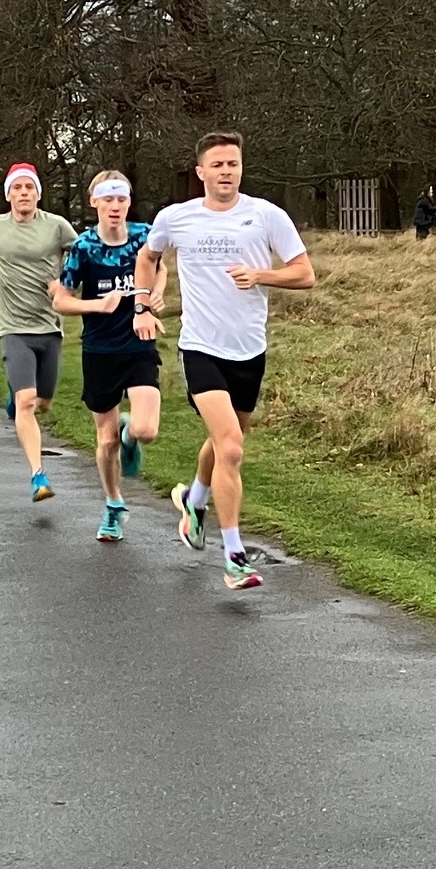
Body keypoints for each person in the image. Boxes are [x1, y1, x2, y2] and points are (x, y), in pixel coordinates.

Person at [134, 130, 315, 591]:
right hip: (200, 347)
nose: (226, 172)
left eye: (232, 164)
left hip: (249, 349)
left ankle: (194, 500)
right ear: (200, 173)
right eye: (217, 165)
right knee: (232, 447)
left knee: (225, 440)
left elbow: (304, 273)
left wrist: (261, 275)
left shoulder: (266, 215)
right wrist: (141, 303)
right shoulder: (177, 218)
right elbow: (148, 255)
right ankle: (234, 556)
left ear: (240, 168)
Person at [52, 171, 166, 540]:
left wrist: (147, 300)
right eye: (108, 199)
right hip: (99, 349)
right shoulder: (84, 247)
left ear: (129, 202)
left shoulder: (144, 237)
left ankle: (129, 434)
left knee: (146, 430)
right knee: (105, 441)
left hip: (138, 343)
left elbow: (159, 270)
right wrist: (99, 305)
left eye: (121, 199)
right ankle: (113, 504)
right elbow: (61, 301)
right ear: (94, 202)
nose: (115, 206)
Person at [0, 163, 75, 494]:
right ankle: (38, 475)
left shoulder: (56, 226)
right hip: (13, 326)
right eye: (17, 188)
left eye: (29, 188)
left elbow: (81, 254)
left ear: (38, 193)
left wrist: (65, 283)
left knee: (42, 403)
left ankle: (16, 396)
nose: (23, 193)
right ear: (8, 194)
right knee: (27, 402)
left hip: (50, 326)